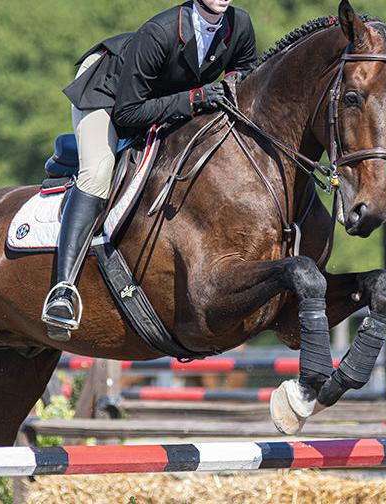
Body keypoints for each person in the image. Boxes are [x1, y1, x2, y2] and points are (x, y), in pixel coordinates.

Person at [42, 0, 258, 340]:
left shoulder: (239, 25)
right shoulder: (160, 32)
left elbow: (246, 73)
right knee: (98, 172)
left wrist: (228, 86)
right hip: (108, 90)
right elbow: (127, 113)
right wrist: (196, 98)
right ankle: (63, 290)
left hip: (160, 94)